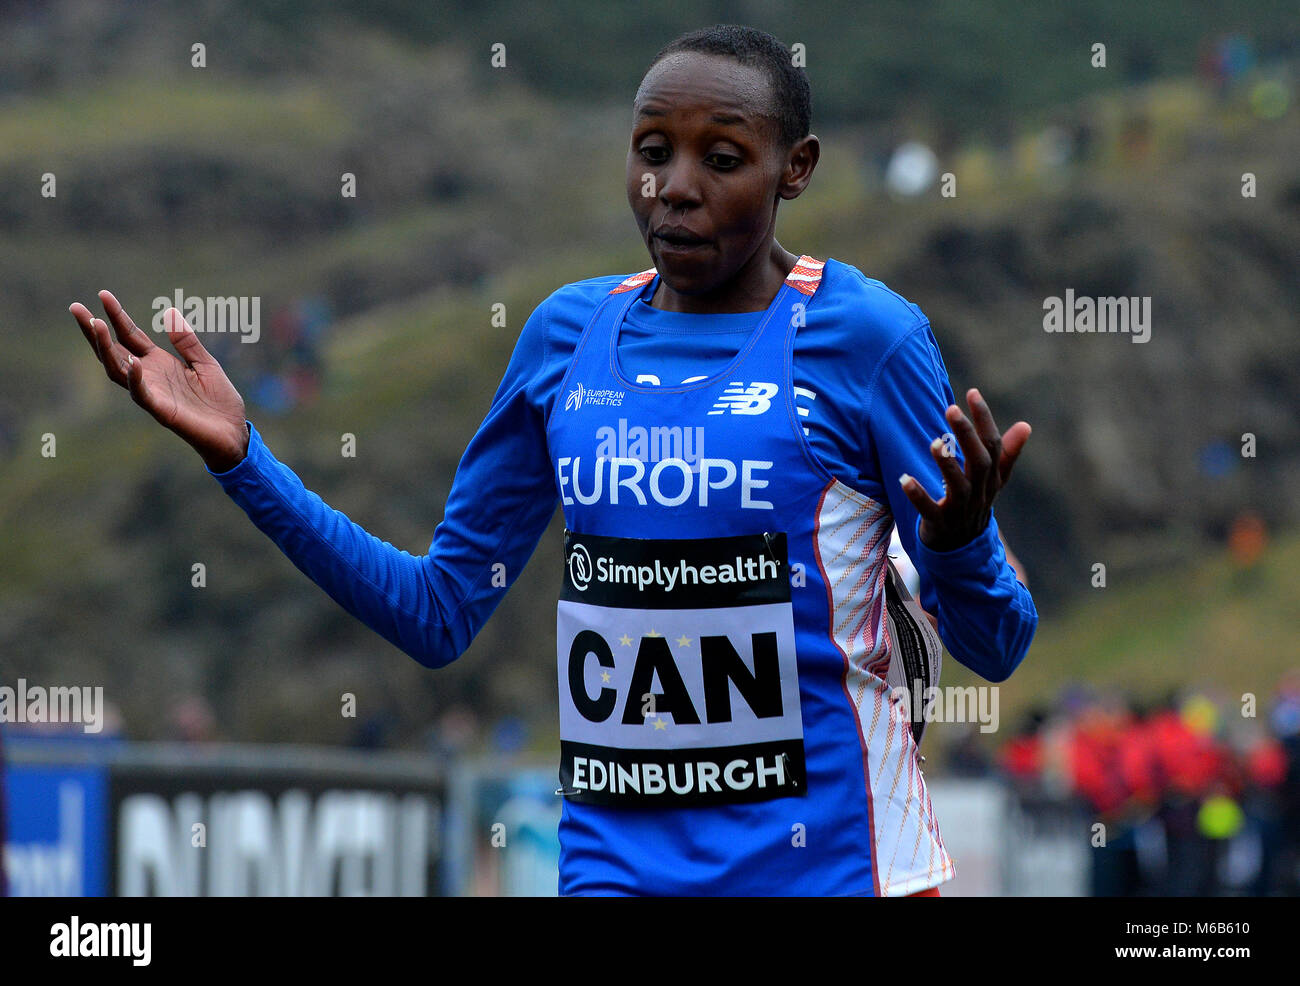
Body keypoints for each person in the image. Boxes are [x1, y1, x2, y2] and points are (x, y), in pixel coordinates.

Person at [68, 24, 1036, 896]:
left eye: (724, 157)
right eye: (652, 152)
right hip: (610, 874)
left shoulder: (865, 338)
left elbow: (996, 645)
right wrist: (246, 459)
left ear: (796, 169)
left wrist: (957, 546)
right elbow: (438, 611)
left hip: (831, 873)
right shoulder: (563, 338)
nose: (676, 186)